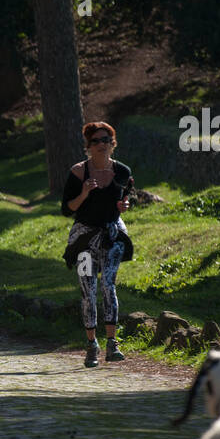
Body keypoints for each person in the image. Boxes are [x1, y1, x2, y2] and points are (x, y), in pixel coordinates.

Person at [61, 121, 134, 368]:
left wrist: (124, 207)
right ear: (88, 146)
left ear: (113, 144)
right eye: (96, 141)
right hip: (83, 239)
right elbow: (66, 209)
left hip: (112, 235)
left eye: (106, 140)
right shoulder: (78, 173)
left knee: (108, 284)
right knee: (88, 290)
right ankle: (92, 345)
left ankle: (113, 343)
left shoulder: (123, 171)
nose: (101, 144)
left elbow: (124, 200)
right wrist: (83, 193)